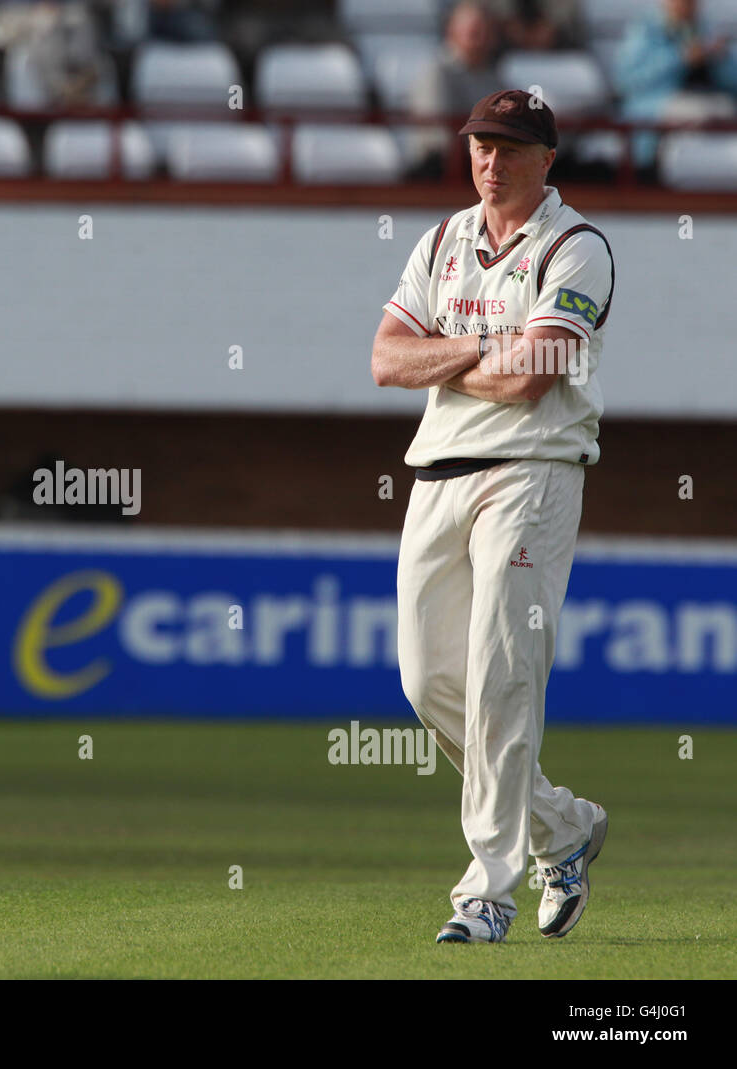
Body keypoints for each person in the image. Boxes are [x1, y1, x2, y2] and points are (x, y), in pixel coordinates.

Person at [370, 90, 610, 944]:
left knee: (502, 681)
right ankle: (563, 826)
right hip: (437, 473)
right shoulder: (442, 240)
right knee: (427, 682)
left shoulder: (576, 247)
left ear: (547, 158)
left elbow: (531, 380)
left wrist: (442, 356)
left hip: (532, 473)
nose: (491, 161)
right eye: (481, 145)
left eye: (510, 147)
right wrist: (479, 346)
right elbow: (385, 359)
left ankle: (487, 894)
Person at [616, 0, 737, 172]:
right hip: (652, 107)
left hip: (703, 98)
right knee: (699, 111)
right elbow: (627, 81)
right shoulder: (646, 29)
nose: (687, 6)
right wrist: (682, 58)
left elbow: (731, 82)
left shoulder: (703, 28)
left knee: (725, 108)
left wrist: (719, 59)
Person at [408, 2, 505, 178]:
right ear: (452, 32)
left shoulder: (495, 78)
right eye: (475, 32)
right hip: (440, 169)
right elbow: (437, 137)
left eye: (488, 33)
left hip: (485, 163)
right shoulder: (436, 74)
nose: (482, 40)